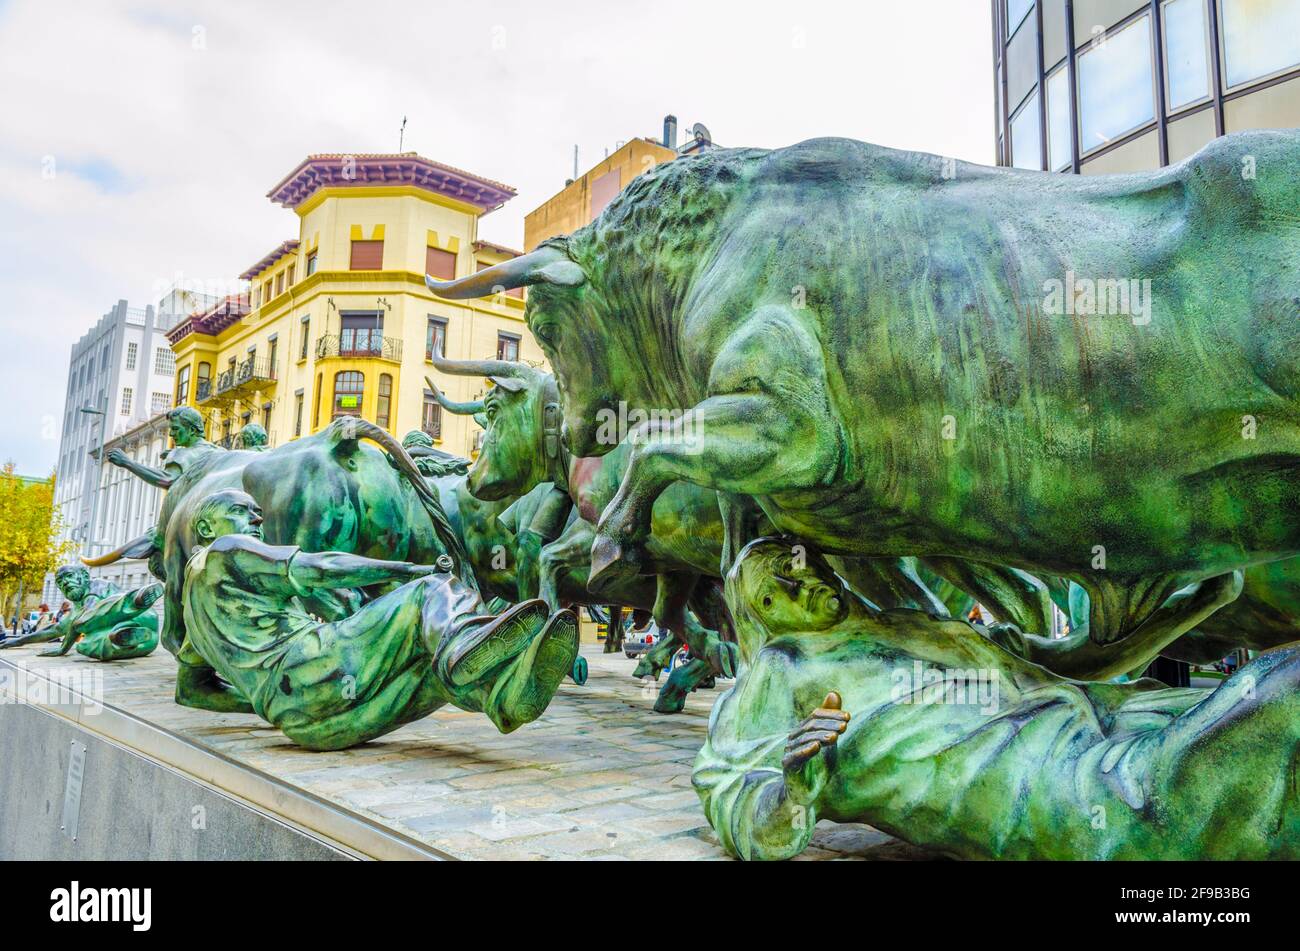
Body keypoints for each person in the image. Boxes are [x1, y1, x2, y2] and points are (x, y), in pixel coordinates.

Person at [694, 537, 1298, 860]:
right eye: (778, 585)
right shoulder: (778, 669)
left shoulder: (915, 624)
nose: (807, 579)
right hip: (1054, 782)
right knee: (1278, 701)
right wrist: (792, 787)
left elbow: (1057, 659)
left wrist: (1188, 609)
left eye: (802, 563)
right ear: (764, 613)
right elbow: (732, 799)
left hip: (1109, 715)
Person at [176, 489, 579, 751]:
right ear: (208, 526)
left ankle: (506, 698)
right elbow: (322, 568)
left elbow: (191, 692)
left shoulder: (193, 617)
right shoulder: (225, 551)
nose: (257, 520)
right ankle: (462, 642)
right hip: (314, 665)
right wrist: (408, 571)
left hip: (307, 723)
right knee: (433, 592)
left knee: (434, 663)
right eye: (241, 511)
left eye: (257, 513)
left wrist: (266, 703)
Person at [0, 566, 159, 660]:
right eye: (61, 583)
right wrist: (17, 641)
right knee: (84, 646)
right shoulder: (76, 609)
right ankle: (118, 638)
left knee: (88, 618)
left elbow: (84, 619)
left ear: (84, 576)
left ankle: (133, 601)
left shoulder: (97, 586)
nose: (65, 583)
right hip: (146, 642)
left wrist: (63, 649)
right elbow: (53, 630)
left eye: (69, 577)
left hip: (143, 616)